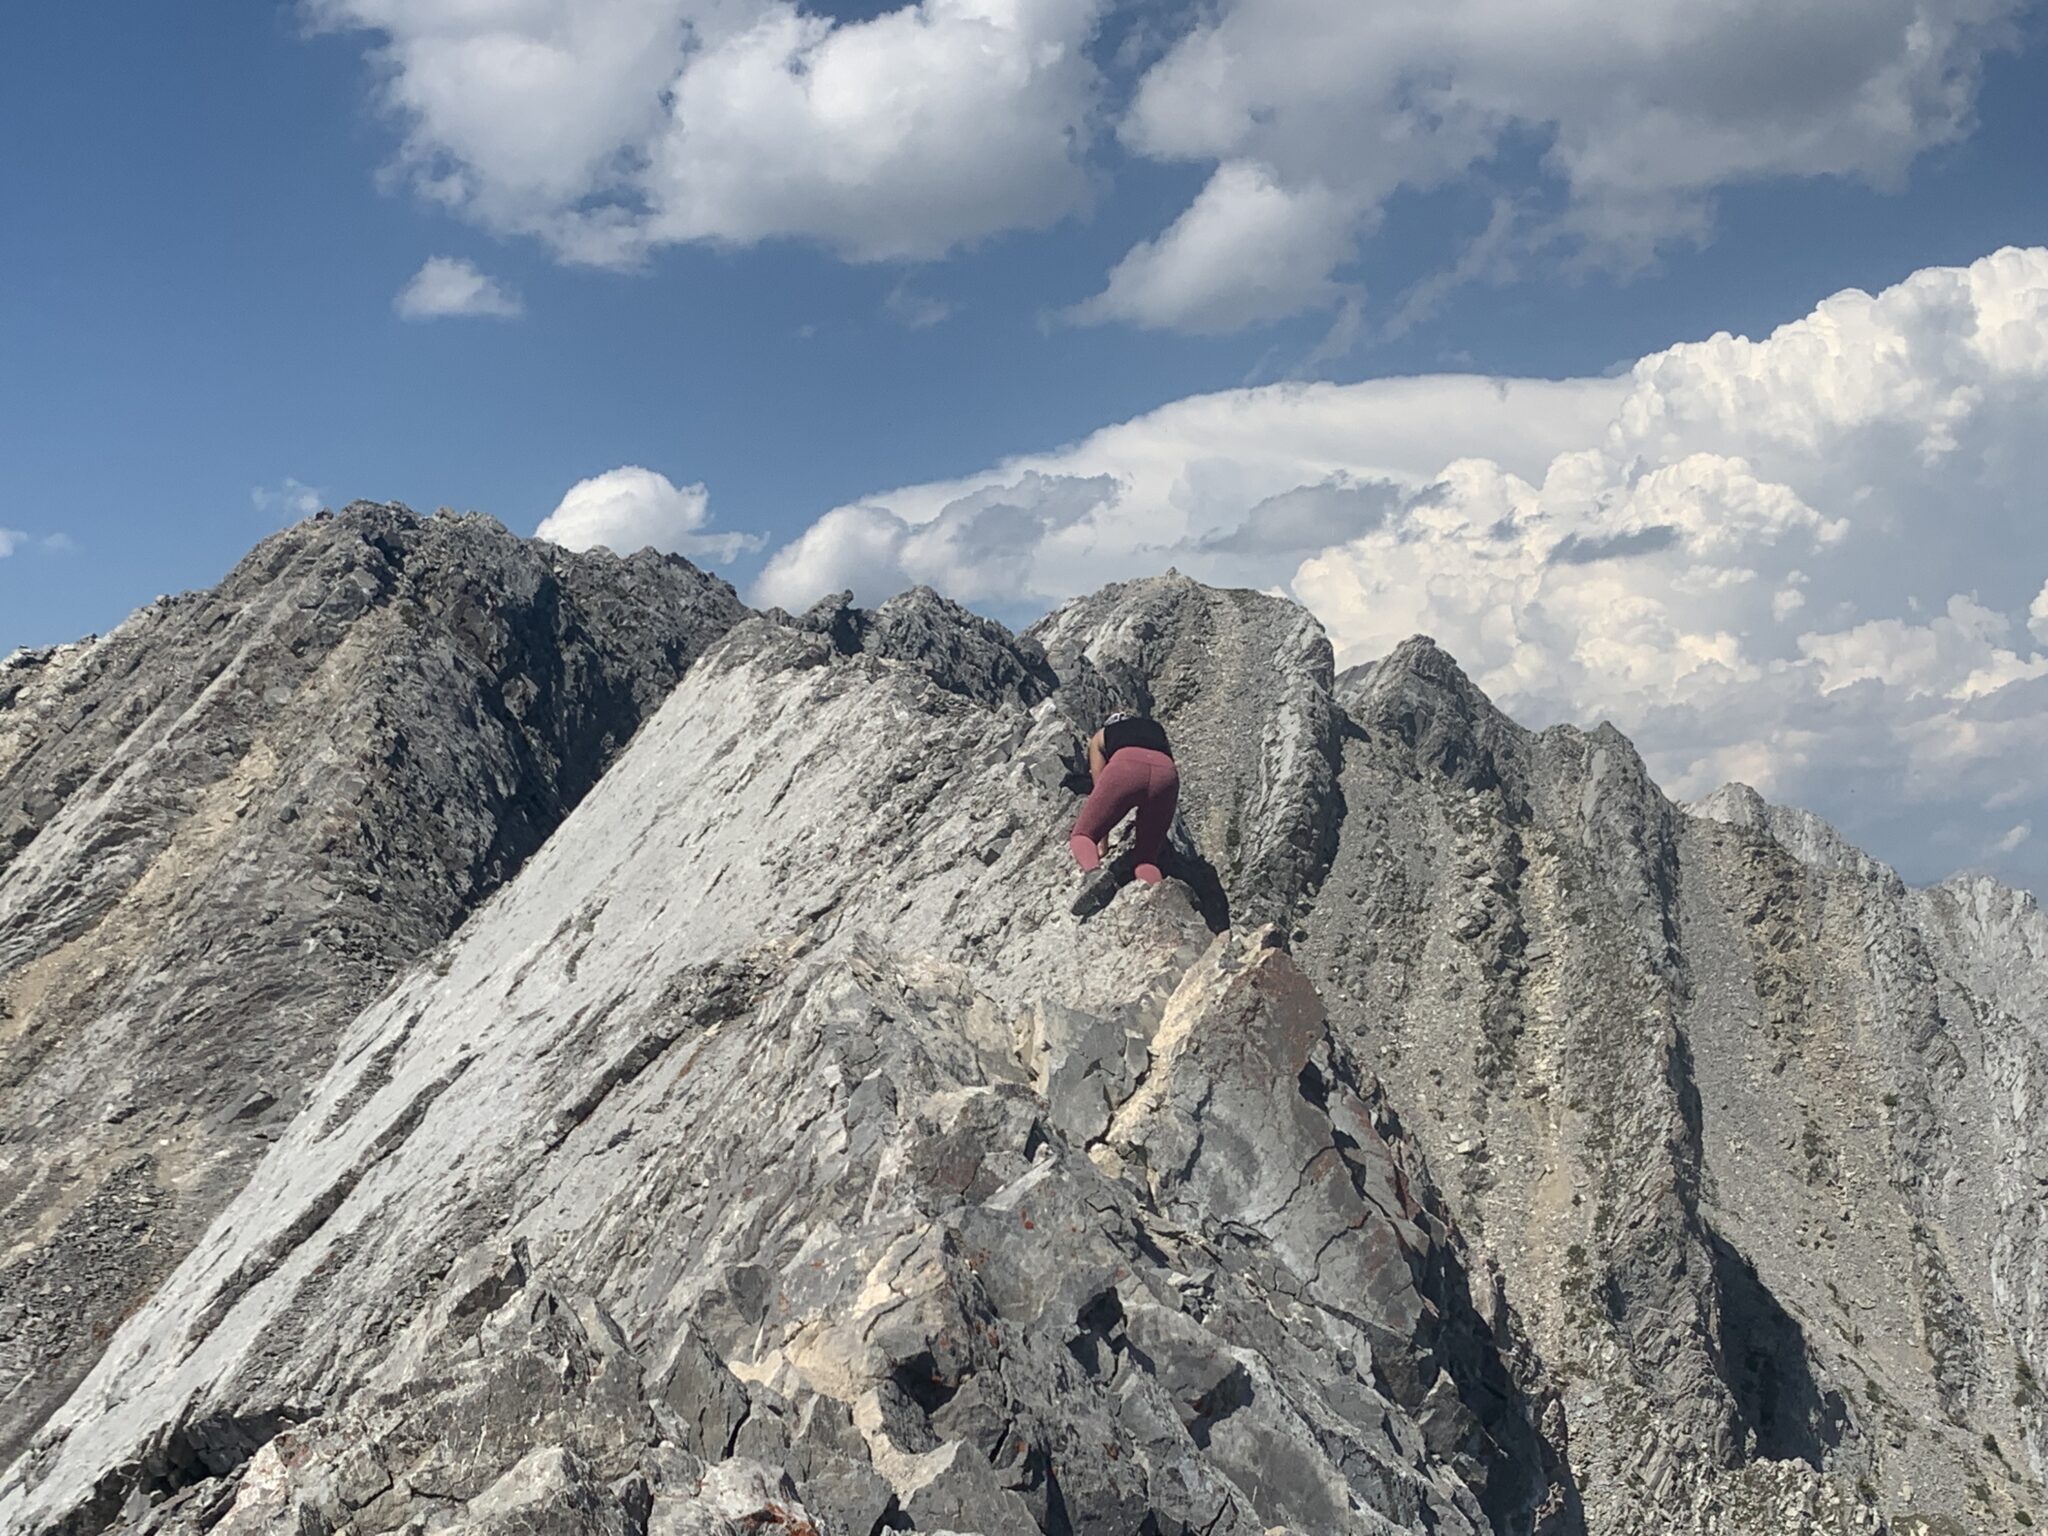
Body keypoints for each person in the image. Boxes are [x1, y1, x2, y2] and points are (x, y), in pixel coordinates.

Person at [1070, 711, 1180, 885]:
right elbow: (1170, 763)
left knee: (1082, 836)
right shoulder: (1156, 729)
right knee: (1146, 859)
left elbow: (1100, 786)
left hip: (1126, 767)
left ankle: (1094, 875)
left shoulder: (1101, 735)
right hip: (1165, 774)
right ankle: (1157, 893)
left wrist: (1102, 844)